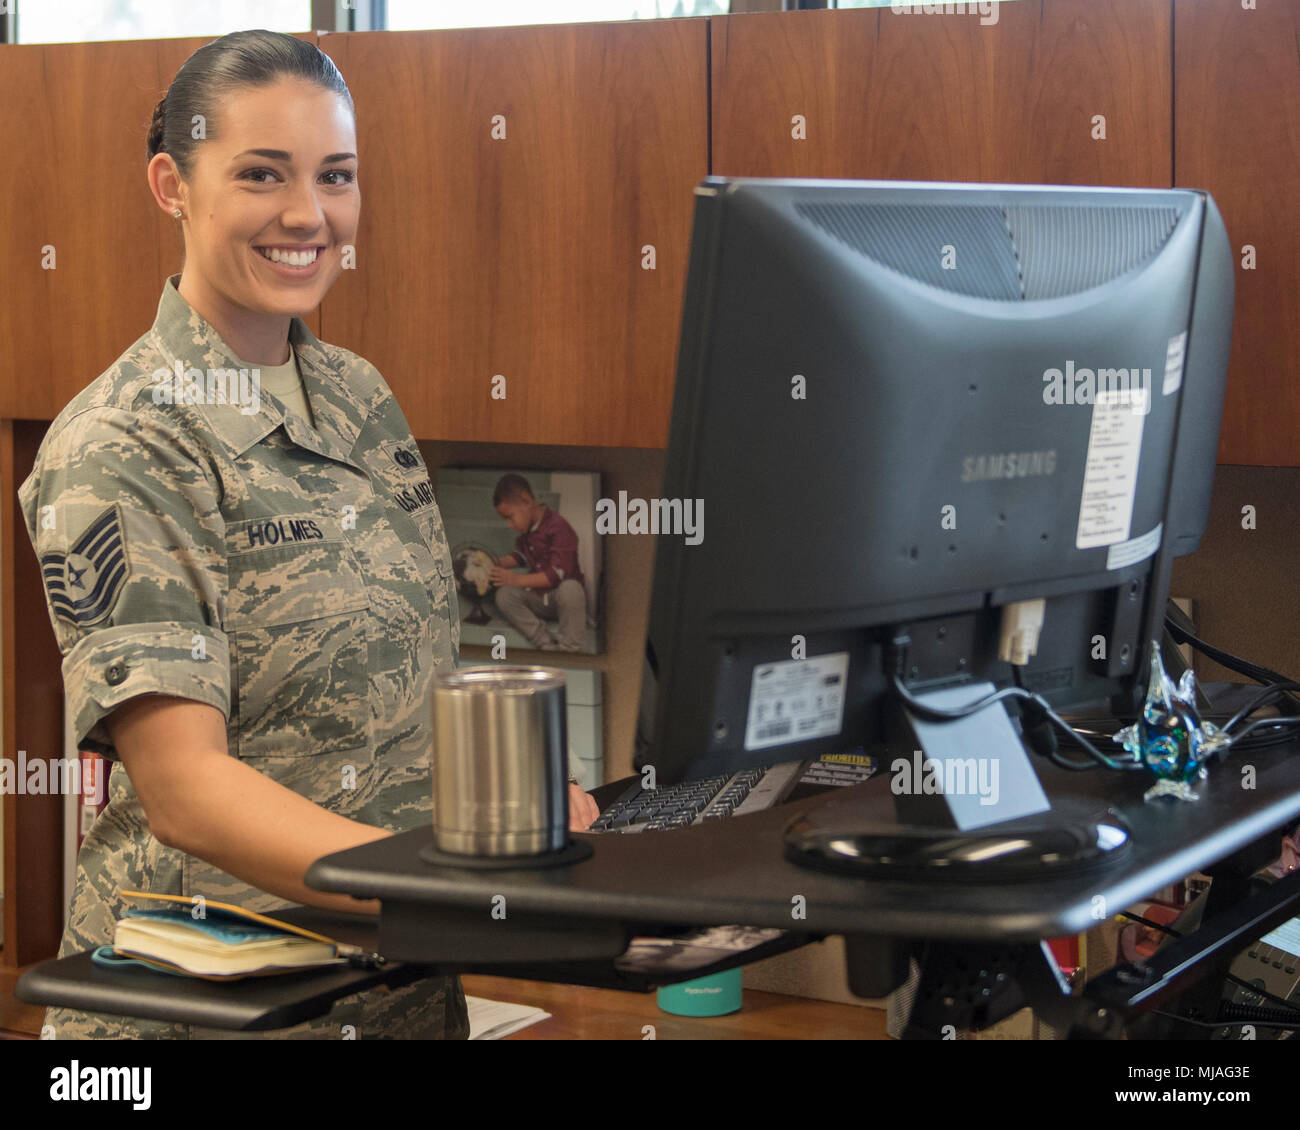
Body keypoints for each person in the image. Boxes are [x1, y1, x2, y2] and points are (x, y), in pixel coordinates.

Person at [19, 29, 600, 1040]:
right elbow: (188, 792)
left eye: (337, 175)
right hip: (206, 1007)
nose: (308, 214)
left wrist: (517, 807)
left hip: (398, 989)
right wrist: (444, 883)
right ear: (172, 185)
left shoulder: (356, 394)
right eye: (260, 174)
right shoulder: (121, 441)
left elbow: (398, 684)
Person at [489, 474, 589, 652]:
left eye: (510, 517)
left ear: (527, 501)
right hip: (538, 598)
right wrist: (496, 563)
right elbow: (521, 556)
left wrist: (515, 579)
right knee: (504, 595)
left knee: (571, 589)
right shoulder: (526, 533)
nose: (509, 525)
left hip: (561, 599)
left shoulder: (559, 527)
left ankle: (570, 648)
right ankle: (544, 641)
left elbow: (555, 575)